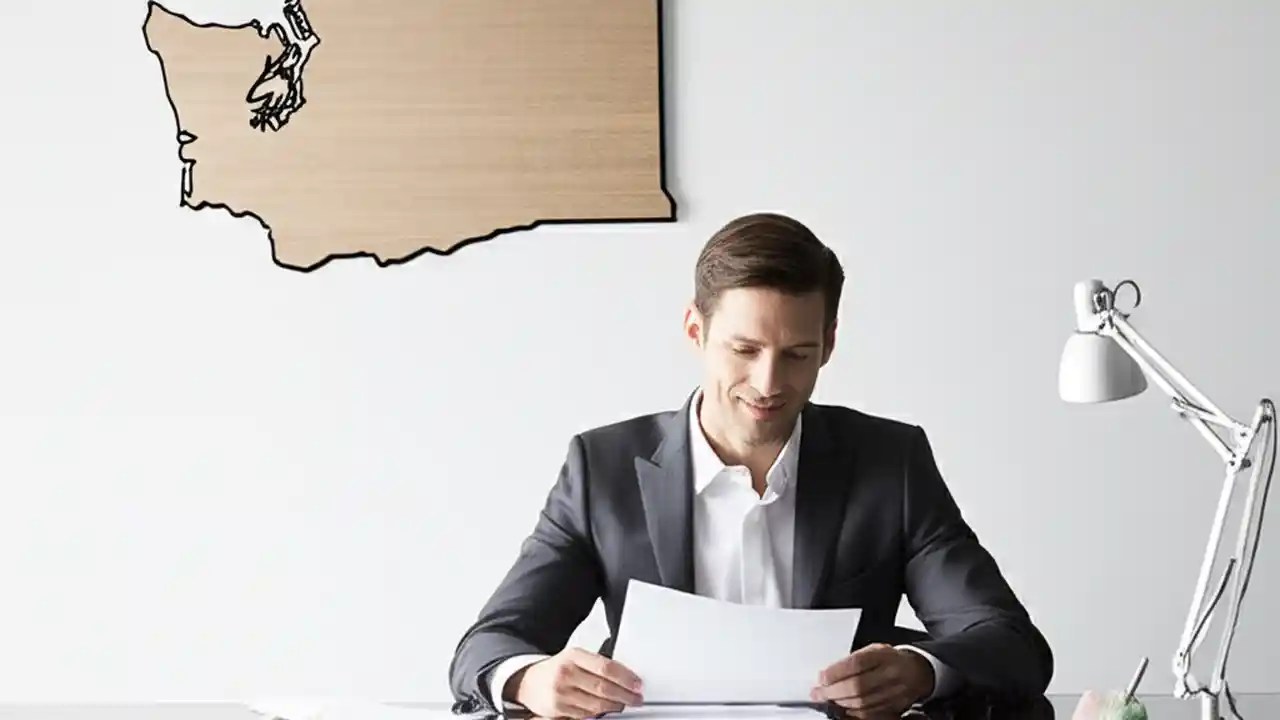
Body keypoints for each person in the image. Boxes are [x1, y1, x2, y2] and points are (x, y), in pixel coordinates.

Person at [448, 212, 1052, 718]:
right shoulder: (601, 467)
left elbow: (1010, 643)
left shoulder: (889, 463)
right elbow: (490, 645)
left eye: (797, 354)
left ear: (830, 345)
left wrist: (922, 671)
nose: (768, 383)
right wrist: (528, 680)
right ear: (695, 329)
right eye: (744, 349)